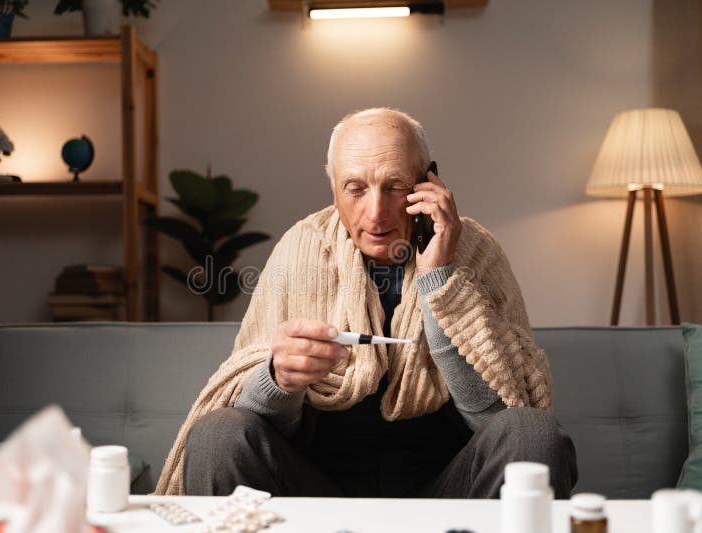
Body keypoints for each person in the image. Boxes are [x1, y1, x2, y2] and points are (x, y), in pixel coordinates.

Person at [155, 107, 578, 498]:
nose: (375, 213)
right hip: (316, 490)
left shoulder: (476, 251)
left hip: (446, 488)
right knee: (217, 433)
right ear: (332, 187)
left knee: (532, 432)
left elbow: (498, 418)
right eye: (354, 188)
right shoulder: (301, 247)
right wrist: (278, 377)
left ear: (427, 181)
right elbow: (251, 421)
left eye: (395, 186)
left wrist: (438, 278)